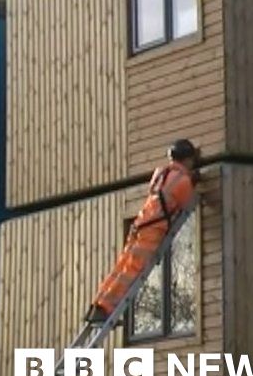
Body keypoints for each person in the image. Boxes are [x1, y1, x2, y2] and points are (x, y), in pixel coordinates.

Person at [84, 139, 201, 324]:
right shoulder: (183, 181)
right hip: (153, 230)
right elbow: (186, 203)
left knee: (121, 267)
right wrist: (194, 181)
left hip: (140, 223)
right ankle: (106, 309)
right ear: (187, 159)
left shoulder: (161, 173)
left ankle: (97, 305)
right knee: (132, 271)